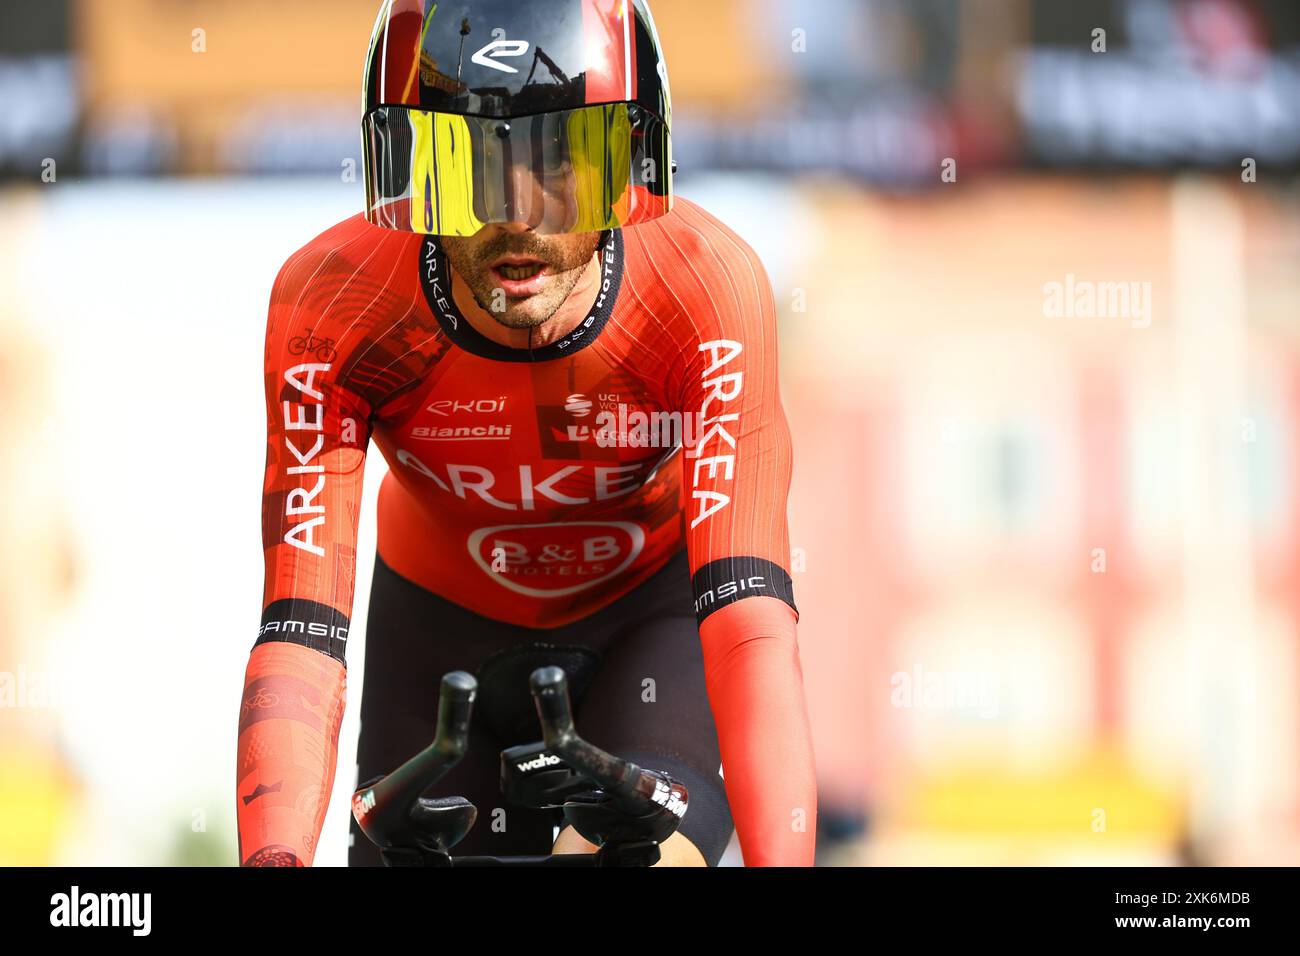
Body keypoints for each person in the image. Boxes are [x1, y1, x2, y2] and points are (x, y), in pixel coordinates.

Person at [236, 0, 816, 867]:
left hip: (644, 632)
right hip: (434, 639)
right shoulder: (335, 302)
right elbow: (300, 634)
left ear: (630, 164)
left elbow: (751, 629)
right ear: (407, 171)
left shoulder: (704, 291)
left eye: (563, 159)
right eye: (468, 163)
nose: (517, 213)